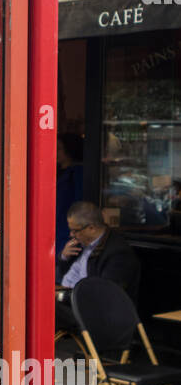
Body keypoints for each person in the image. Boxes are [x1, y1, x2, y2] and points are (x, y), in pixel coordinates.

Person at [55, 200, 141, 334]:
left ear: (91, 228)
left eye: (75, 231)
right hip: (73, 299)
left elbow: (104, 295)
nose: (71, 235)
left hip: (98, 315)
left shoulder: (118, 253)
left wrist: (64, 296)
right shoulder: (79, 243)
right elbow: (64, 271)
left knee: (43, 307)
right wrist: (63, 257)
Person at [56, 133, 84, 258]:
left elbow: (79, 203)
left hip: (66, 231)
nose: (55, 152)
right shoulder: (58, 172)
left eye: (59, 149)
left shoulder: (76, 173)